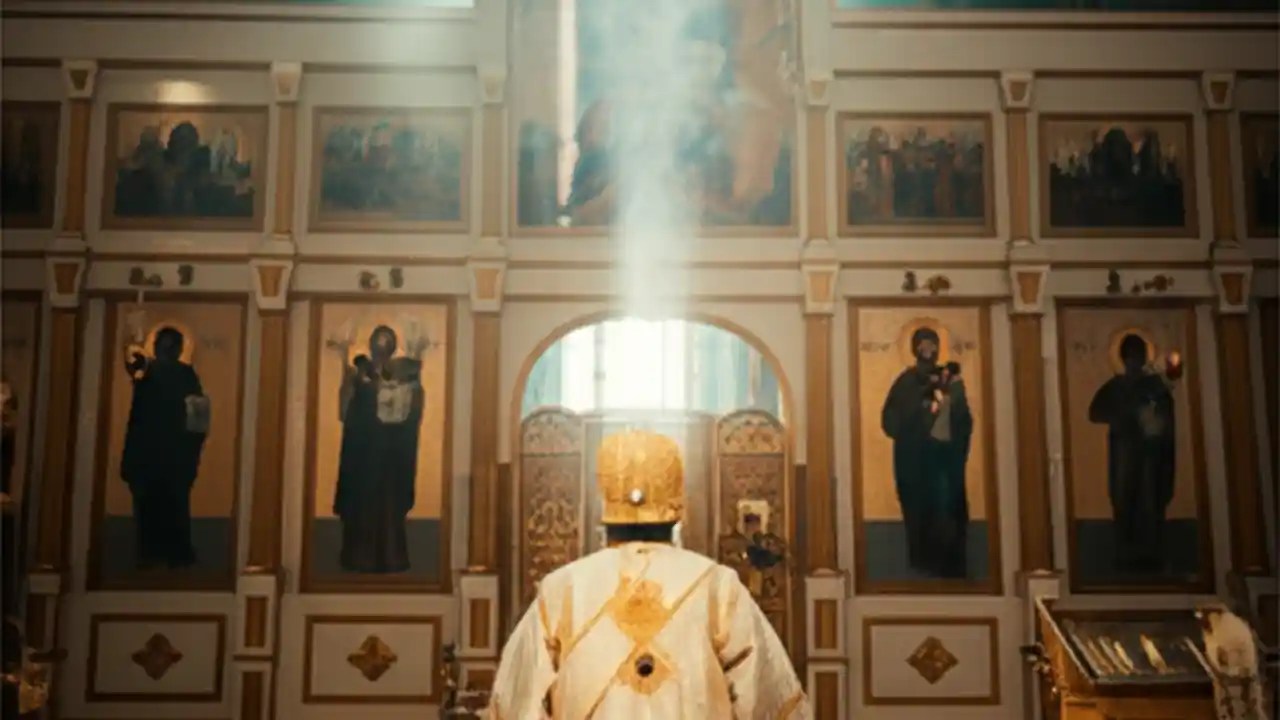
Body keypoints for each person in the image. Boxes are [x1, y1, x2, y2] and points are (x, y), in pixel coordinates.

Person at [488, 430, 809, 719]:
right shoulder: (716, 585)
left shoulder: (563, 588)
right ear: (677, 508)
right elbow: (769, 698)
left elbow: (519, 703)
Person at [880, 326, 974, 579]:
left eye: (932, 345)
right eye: (923, 345)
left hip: (945, 458)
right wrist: (918, 410)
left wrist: (951, 405)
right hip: (916, 460)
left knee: (949, 508)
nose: (928, 350)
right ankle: (922, 562)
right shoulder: (906, 381)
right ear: (914, 348)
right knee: (920, 510)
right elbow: (890, 420)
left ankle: (951, 565)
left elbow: (965, 420)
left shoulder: (950, 380)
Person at [332, 325, 426, 574]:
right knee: (361, 506)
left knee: (389, 508)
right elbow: (344, 412)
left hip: (390, 457)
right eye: (377, 345)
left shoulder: (402, 375)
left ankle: (391, 558)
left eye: (386, 346)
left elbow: (412, 412)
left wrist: (411, 387)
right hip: (362, 454)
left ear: (392, 349)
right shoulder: (359, 373)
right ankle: (357, 558)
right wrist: (347, 375)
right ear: (372, 346)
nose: (381, 352)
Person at [1088, 334, 1180, 574]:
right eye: (1130, 355)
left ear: (1143, 357)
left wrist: (1153, 421)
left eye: (1138, 355)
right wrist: (1125, 414)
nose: (1134, 360)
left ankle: (1152, 555)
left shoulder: (1155, 386)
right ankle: (1125, 554)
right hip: (1125, 453)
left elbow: (1166, 416)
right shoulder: (1116, 386)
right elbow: (1095, 412)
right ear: (1124, 358)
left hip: (1151, 456)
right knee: (1125, 500)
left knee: (1150, 501)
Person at [120, 327, 208, 569]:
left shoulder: (173, 374)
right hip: (162, 456)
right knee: (159, 506)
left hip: (166, 457)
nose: (166, 351)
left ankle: (164, 554)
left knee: (165, 506)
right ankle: (163, 555)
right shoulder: (155, 373)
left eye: (170, 346)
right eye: (164, 345)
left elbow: (197, 417)